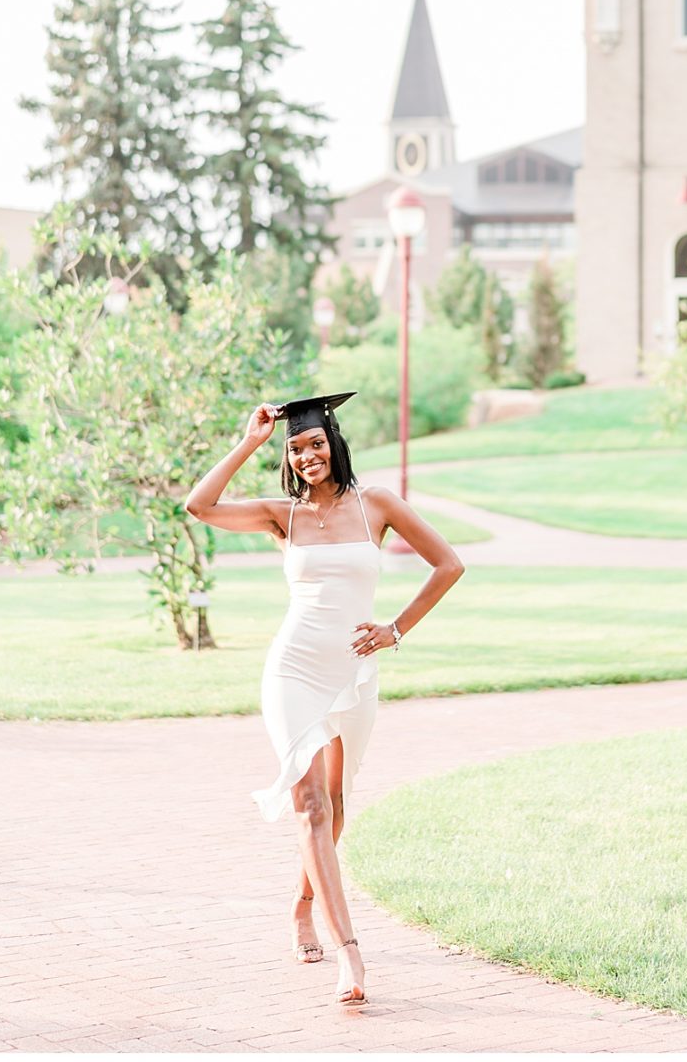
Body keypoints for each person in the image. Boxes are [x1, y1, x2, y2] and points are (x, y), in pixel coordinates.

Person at [185, 392, 464, 1005]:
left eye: (315, 443)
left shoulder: (378, 506)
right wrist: (252, 439)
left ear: (335, 443)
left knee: (336, 803)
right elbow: (198, 505)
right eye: (295, 448)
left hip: (354, 671)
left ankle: (302, 903)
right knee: (309, 802)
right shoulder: (280, 516)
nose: (308, 455)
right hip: (293, 669)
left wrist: (395, 629)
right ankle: (351, 956)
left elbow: (447, 564)